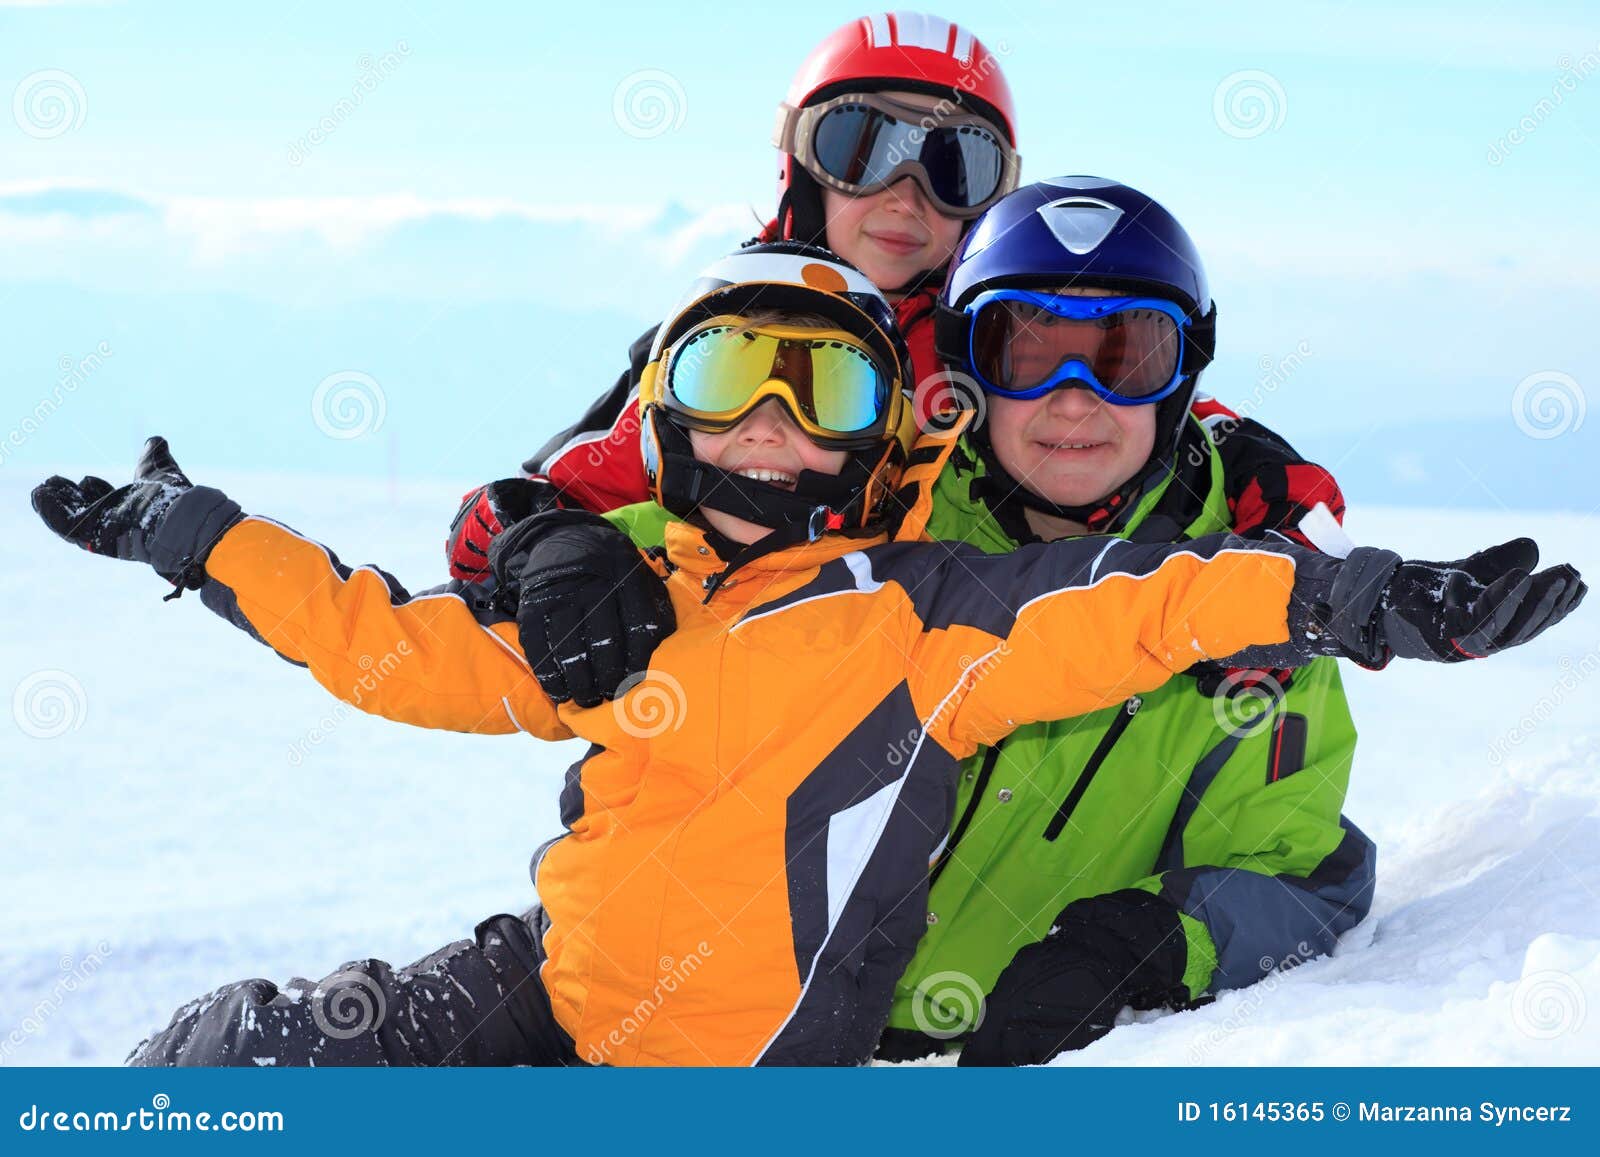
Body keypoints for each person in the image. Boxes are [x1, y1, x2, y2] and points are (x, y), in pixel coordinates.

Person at [33, 244, 1585, 1067]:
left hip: (754, 1071)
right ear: (664, 415)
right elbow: (389, 647)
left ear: (882, 436)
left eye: (823, 391)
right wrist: (197, 532)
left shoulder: (934, 617)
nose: (773, 426)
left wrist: (1342, 596)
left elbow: (1147, 601)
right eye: (733, 376)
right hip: (557, 1000)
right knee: (239, 1055)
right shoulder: (622, 599)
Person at [473, 180, 1548, 1067]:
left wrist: (1142, 943)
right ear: (965, 364)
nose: (1074, 399)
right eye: (1027, 353)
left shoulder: (1258, 607)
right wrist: (549, 537)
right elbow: (669, 508)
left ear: (1185, 376)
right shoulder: (876, 526)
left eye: (1125, 355)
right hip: (670, 1000)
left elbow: (1309, 876)